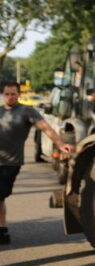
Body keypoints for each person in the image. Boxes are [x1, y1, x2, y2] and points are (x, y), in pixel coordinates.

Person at [1, 80, 73, 245]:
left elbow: (46, 128)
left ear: (19, 94)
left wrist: (60, 144)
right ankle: (2, 230)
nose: (10, 97)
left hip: (10, 163)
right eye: (7, 94)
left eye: (13, 94)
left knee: (0, 195)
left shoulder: (27, 111)